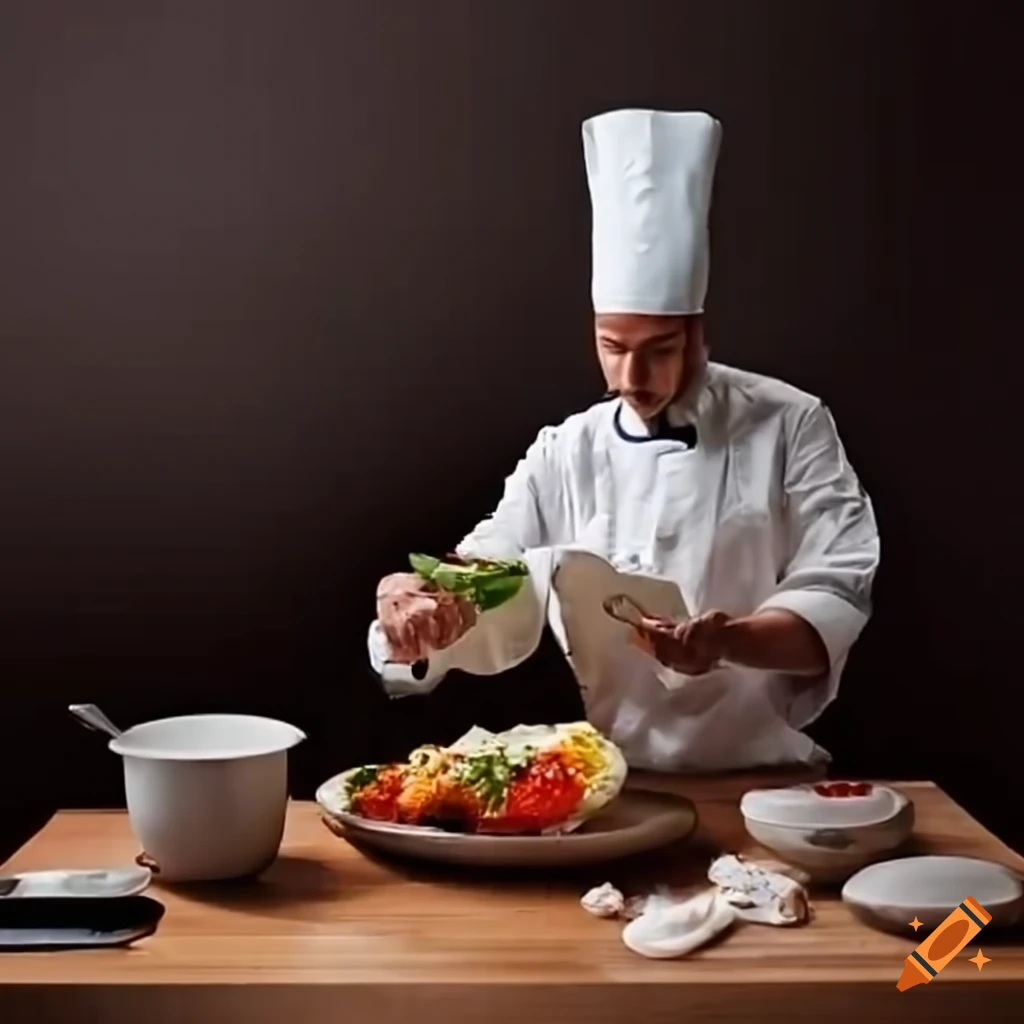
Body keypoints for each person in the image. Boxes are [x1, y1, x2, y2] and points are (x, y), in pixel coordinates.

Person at [367, 109, 880, 772]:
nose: (631, 378)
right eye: (613, 347)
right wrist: (420, 597)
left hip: (765, 779)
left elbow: (837, 593)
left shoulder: (791, 422)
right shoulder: (568, 447)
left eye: (660, 349)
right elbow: (495, 564)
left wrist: (726, 642)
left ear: (698, 330)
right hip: (616, 783)